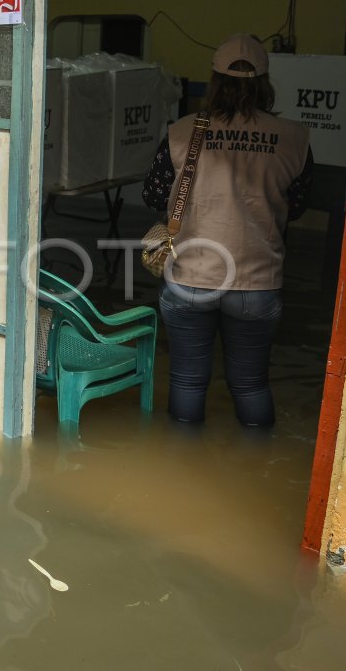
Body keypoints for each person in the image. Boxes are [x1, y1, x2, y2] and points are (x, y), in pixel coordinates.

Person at [141, 33, 313, 428]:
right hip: (257, 281)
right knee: (251, 384)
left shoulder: (181, 132)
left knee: (187, 380)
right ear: (265, 84)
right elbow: (299, 206)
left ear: (215, 82)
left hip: (190, 278)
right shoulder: (295, 137)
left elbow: (153, 195)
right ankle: (256, 461)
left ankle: (180, 470)